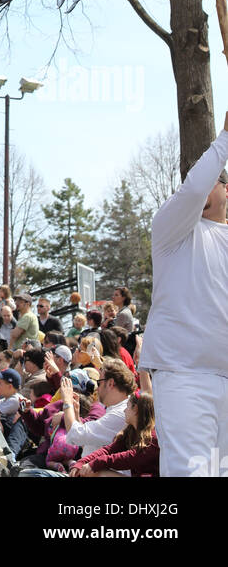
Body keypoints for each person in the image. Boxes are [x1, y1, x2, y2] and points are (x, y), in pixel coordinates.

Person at [140, 110, 228, 476]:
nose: (201, 189)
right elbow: (192, 189)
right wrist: (224, 138)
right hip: (183, 375)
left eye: (215, 181)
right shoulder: (171, 231)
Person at [68, 392, 159, 477]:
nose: (124, 410)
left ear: (135, 409)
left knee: (99, 472)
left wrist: (95, 464)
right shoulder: (131, 432)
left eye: (127, 406)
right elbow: (108, 450)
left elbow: (129, 458)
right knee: (94, 470)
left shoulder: (153, 439)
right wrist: (82, 462)